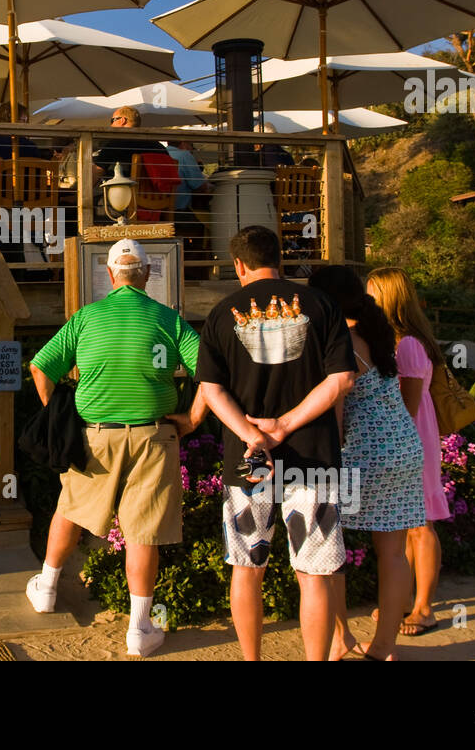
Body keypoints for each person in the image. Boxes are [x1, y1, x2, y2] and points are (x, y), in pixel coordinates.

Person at [25, 239, 201, 658]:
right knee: (143, 532)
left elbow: (39, 366)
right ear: (146, 275)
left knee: (70, 509)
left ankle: (47, 588)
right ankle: (139, 629)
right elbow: (209, 372)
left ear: (109, 276)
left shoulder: (86, 318)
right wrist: (194, 418)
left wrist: (58, 413)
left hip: (95, 434)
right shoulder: (168, 319)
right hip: (153, 436)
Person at [190, 225, 357, 660]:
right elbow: (342, 379)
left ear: (239, 265)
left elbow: (211, 389)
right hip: (314, 454)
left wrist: (253, 435)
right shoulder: (322, 306)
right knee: (314, 572)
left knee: (247, 568)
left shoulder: (221, 313)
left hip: (250, 462)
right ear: (278, 258)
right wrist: (285, 425)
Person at [309, 265, 424, 661]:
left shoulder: (339, 343)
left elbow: (336, 416)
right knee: (393, 554)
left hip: (363, 457)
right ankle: (384, 647)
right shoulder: (378, 331)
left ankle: (341, 638)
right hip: (404, 448)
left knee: (331, 552)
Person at [366, 266, 449, 636]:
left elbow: (409, 405)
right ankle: (404, 600)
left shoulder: (409, 344)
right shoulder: (397, 340)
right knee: (405, 524)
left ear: (387, 297)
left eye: (371, 293)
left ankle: (424, 608)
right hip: (407, 439)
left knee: (420, 524)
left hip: (412, 440)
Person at [92, 106, 167, 185]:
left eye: (112, 120)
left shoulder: (116, 144)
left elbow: (97, 172)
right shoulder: (158, 146)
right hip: (157, 194)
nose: (111, 125)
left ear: (122, 120)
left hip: (125, 194)